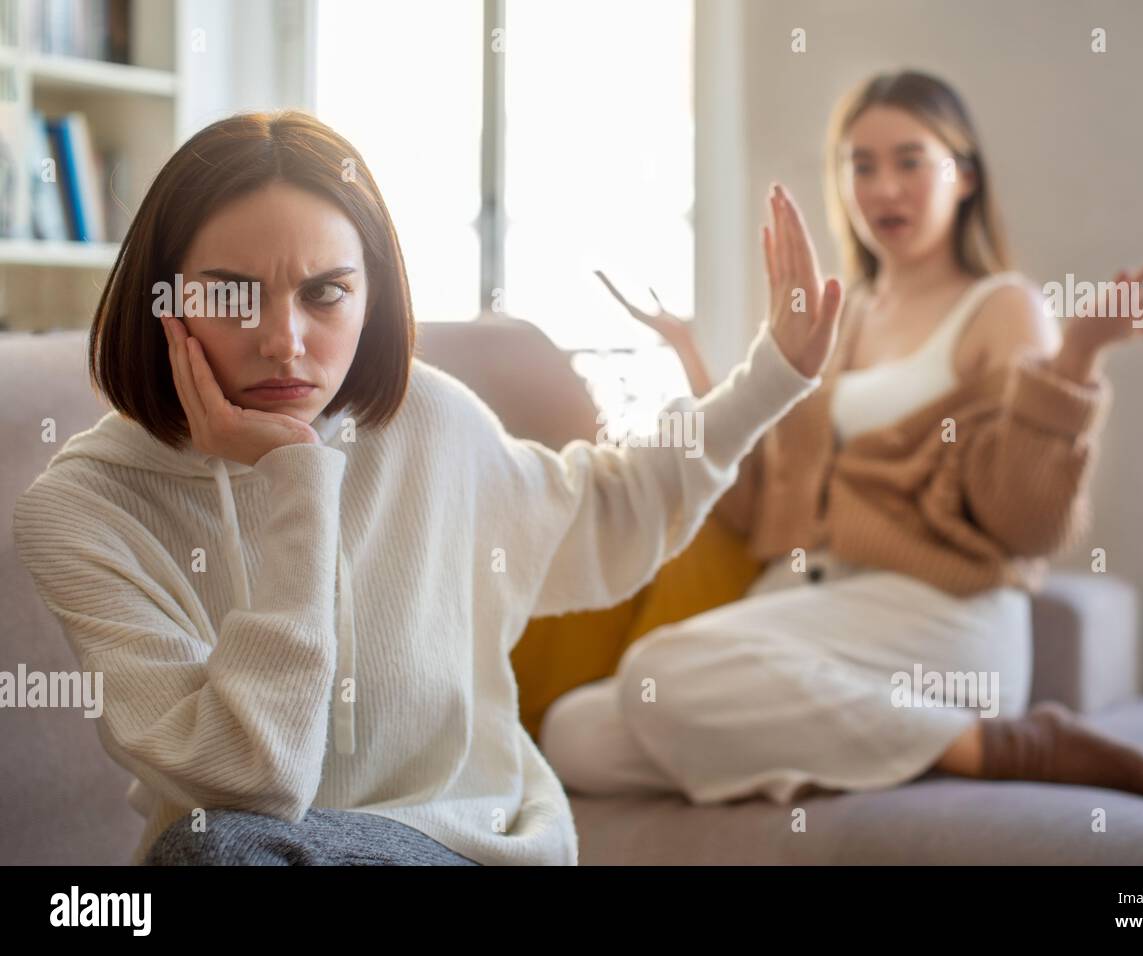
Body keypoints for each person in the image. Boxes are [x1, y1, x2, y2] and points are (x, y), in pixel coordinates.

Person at [12, 109, 843, 865]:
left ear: (372, 298)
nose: (284, 341)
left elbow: (613, 513)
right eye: (232, 294)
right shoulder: (83, 510)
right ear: (164, 298)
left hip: (461, 846)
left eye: (325, 292)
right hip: (250, 856)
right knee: (210, 849)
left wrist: (773, 377)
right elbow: (252, 780)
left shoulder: (431, 421)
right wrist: (297, 481)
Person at [540, 70, 1143, 809]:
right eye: (861, 165)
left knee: (664, 669)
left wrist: (1075, 362)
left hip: (936, 616)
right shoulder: (843, 314)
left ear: (965, 177)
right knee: (576, 734)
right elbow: (752, 509)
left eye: (910, 161)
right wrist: (692, 359)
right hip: (812, 607)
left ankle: (1013, 745)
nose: (884, 188)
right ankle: (879, 742)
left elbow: (1026, 525)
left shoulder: (1002, 308)